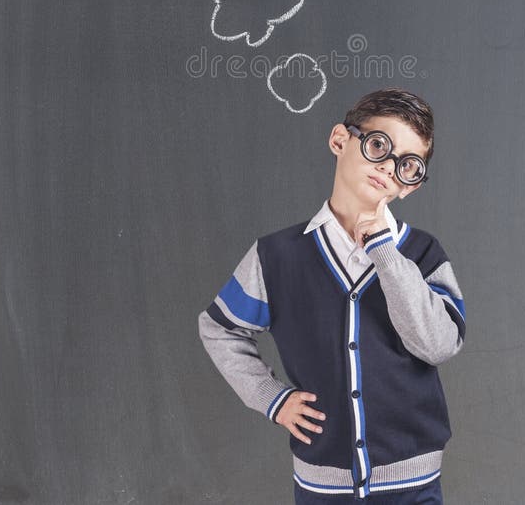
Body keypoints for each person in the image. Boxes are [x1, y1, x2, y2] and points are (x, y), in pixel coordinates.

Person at [198, 88, 465, 503]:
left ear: (410, 187)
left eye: (407, 165)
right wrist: (273, 398)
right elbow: (219, 328)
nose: (388, 168)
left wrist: (385, 255)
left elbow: (439, 344)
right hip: (323, 485)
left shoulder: (423, 254)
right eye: (379, 146)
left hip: (413, 485)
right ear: (340, 140)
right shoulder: (278, 255)